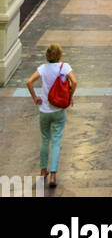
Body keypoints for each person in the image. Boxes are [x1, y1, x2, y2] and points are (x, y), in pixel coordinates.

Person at [25, 43, 77, 189]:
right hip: (59, 110)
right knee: (56, 140)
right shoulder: (64, 67)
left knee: (45, 139)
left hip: (44, 111)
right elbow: (75, 81)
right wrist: (69, 96)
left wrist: (35, 98)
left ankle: (43, 171)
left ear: (47, 56)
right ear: (60, 56)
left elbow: (29, 82)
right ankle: (53, 174)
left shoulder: (42, 68)